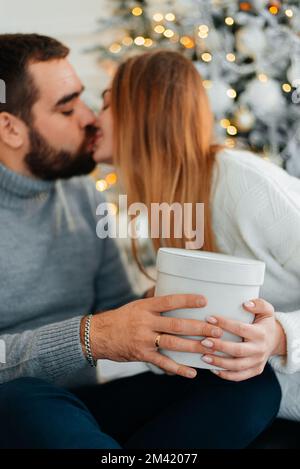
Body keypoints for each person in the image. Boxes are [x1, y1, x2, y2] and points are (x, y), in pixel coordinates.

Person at [0, 35, 280, 449]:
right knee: (24, 400)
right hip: (18, 401)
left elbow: (114, 309)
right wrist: (90, 337)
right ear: (10, 128)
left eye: (85, 100)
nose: (90, 118)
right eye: (67, 107)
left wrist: (161, 307)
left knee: (249, 385)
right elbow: (97, 332)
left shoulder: (81, 195)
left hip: (86, 402)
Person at [94, 50, 300, 423]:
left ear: (140, 113)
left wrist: (280, 337)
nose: (94, 119)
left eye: (106, 104)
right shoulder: (169, 197)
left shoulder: (244, 184)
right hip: (235, 394)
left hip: (268, 400)